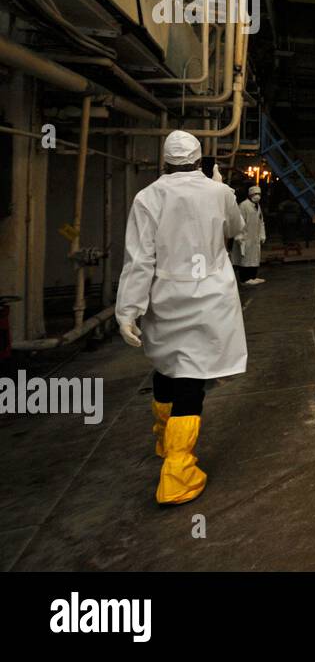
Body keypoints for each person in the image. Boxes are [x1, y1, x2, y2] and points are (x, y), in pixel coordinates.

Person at [116, 130, 247, 505]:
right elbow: (236, 230)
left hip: (166, 297)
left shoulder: (147, 197)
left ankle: (163, 435)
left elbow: (139, 259)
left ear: (165, 160)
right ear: (199, 158)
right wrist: (224, 192)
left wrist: (128, 309)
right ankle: (177, 471)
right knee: (192, 376)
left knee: (168, 367)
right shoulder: (218, 193)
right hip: (209, 299)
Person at [231, 185, 267, 284]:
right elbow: (239, 222)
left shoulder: (257, 206)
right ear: (250, 195)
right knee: (245, 259)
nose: (257, 196)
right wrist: (239, 236)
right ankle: (245, 279)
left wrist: (262, 235)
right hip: (245, 237)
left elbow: (261, 222)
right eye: (255, 194)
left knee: (254, 258)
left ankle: (253, 276)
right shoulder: (244, 205)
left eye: (259, 194)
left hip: (254, 237)